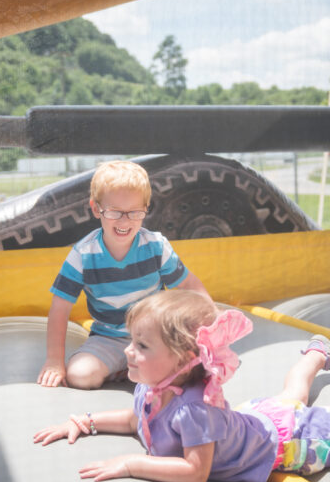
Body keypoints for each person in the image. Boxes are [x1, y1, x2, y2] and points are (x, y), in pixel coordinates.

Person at [34, 289, 330, 482]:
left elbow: (196, 472)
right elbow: (136, 421)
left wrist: (132, 464)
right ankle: (317, 356)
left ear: (184, 360)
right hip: (255, 421)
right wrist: (87, 421)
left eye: (142, 345)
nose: (128, 353)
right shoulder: (151, 388)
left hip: (284, 446)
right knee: (290, 396)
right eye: (131, 342)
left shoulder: (194, 411)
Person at [37, 160, 210, 390]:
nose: (124, 221)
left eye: (134, 212)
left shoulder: (156, 247)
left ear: (146, 208)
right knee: (80, 375)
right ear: (96, 208)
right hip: (108, 337)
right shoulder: (83, 255)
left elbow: (190, 285)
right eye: (114, 212)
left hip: (153, 335)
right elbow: (59, 309)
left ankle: (134, 368)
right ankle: (128, 368)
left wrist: (211, 324)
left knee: (190, 368)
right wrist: (54, 361)